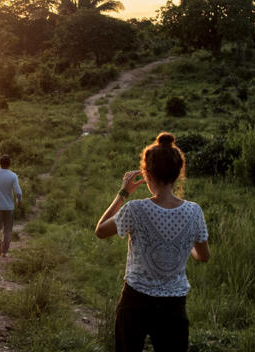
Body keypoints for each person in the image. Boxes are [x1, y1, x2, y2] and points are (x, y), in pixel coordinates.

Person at [95, 132, 210, 352]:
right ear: (178, 174)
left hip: (135, 301)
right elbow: (203, 256)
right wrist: (186, 247)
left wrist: (123, 193)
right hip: (174, 305)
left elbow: (100, 231)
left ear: (147, 174)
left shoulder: (135, 209)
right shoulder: (194, 212)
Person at [0, 154, 22, 257]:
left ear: (0, 163)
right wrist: (18, 200)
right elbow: (18, 192)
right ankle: (4, 252)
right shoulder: (13, 175)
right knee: (8, 229)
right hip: (8, 207)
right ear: (9, 164)